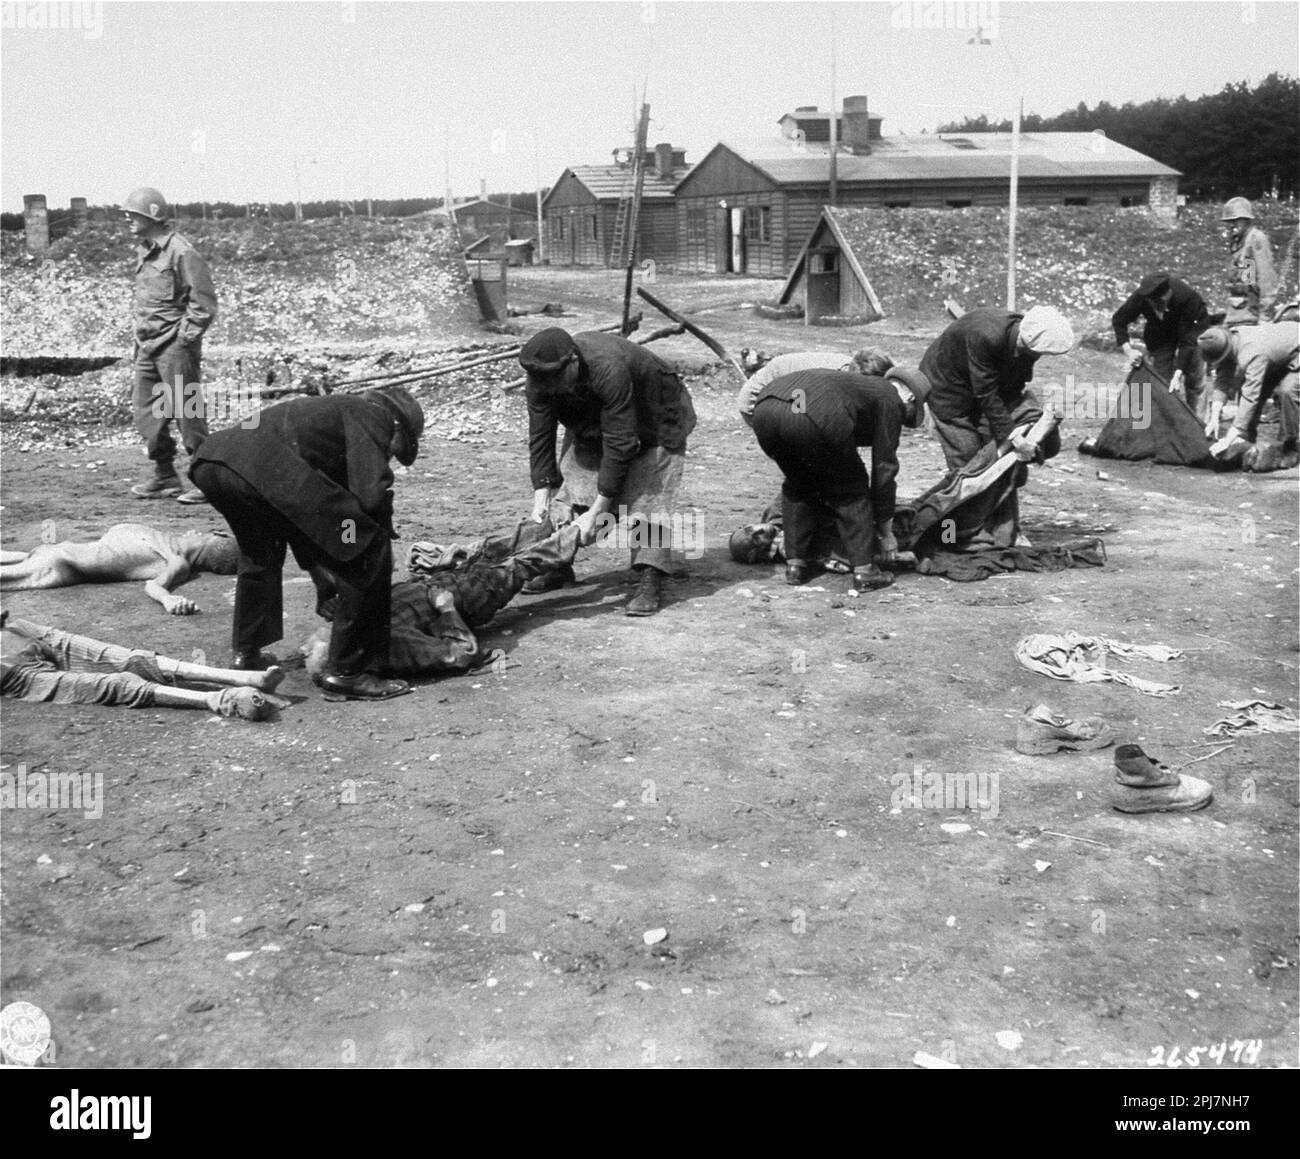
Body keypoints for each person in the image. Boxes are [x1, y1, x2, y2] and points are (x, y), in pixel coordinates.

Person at [190, 386, 424, 701]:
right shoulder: (373, 415)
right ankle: (349, 672)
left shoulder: (327, 419)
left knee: (260, 553)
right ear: (397, 425)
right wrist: (370, 541)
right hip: (263, 471)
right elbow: (369, 496)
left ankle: (246, 654)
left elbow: (304, 518)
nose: (390, 456)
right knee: (368, 547)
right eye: (395, 450)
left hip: (214, 462)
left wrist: (323, 581)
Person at [519, 327, 696, 616]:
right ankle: (559, 562)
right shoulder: (540, 380)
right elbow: (540, 437)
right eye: (543, 383)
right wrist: (541, 500)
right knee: (574, 483)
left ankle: (649, 575)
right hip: (594, 416)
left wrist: (601, 508)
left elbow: (621, 442)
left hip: (655, 412)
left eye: (555, 381)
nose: (549, 389)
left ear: (573, 361)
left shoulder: (607, 368)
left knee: (647, 493)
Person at [302, 519, 583, 678]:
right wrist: (447, 610)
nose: (311, 639)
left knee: (518, 535)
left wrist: (329, 592)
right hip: (468, 596)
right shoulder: (394, 647)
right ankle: (590, 526)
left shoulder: (348, 622)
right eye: (321, 639)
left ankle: (567, 517)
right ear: (344, 651)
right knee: (534, 557)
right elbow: (461, 655)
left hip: (439, 578)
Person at [749, 366, 929, 589]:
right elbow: (884, 468)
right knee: (851, 489)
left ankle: (796, 565)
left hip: (766, 408)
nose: (906, 417)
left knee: (799, 483)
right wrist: (885, 531)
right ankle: (865, 572)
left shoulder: (859, 386)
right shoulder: (890, 398)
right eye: (912, 409)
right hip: (812, 412)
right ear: (910, 396)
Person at [1, 611, 283, 721]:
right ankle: (218, 700)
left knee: (126, 658)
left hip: (12, 631)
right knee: (116, 685)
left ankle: (241, 677)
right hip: (12, 672)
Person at [122, 187, 218, 504]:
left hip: (174, 345)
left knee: (188, 412)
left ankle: (207, 480)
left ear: (153, 215)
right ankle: (165, 474)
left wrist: (183, 340)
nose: (127, 219)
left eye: (133, 214)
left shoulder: (181, 252)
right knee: (146, 412)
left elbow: (202, 303)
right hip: (146, 345)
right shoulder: (145, 250)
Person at [918, 304, 1073, 473]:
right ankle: (964, 495)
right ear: (1026, 341)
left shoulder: (1027, 341)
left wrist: (1010, 431)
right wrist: (1013, 436)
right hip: (948, 389)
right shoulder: (986, 336)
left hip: (986, 385)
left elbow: (1015, 381)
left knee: (1012, 452)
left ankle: (998, 492)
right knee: (969, 461)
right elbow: (986, 392)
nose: (1039, 356)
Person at [1, 523, 239, 615]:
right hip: (56, 553)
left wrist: (168, 600)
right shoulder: (166, 541)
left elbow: (154, 585)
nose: (195, 530)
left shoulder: (177, 560)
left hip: (60, 565)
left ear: (216, 535)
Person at [1111, 271, 1211, 418]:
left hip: (1194, 329)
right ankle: (1163, 421)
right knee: (1160, 380)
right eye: (1159, 303)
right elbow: (1119, 320)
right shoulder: (1141, 297)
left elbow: (1187, 342)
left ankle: (1199, 424)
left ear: (1169, 293)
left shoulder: (1187, 298)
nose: (1163, 304)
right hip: (1160, 332)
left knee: (1195, 379)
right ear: (1150, 300)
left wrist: (1178, 373)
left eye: (1166, 300)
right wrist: (1128, 350)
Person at [1198, 322, 1300, 459]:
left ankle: (1289, 448)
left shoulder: (1252, 352)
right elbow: (1223, 380)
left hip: (1296, 350)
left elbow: (1250, 396)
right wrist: (1214, 418)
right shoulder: (1226, 340)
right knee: (1253, 387)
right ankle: (1246, 439)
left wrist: (1228, 440)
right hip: (1278, 355)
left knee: (1287, 391)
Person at [735, 347, 894, 426]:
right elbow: (798, 407)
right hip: (755, 401)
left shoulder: (850, 368)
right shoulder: (824, 377)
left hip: (784, 389)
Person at [1220, 198, 1277, 323]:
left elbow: (1266, 279)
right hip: (1238, 310)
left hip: (1251, 314)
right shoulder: (1239, 242)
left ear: (1246, 220)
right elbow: (1246, 277)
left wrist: (1265, 317)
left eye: (1235, 220)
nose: (1231, 225)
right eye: (1228, 221)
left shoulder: (1256, 239)